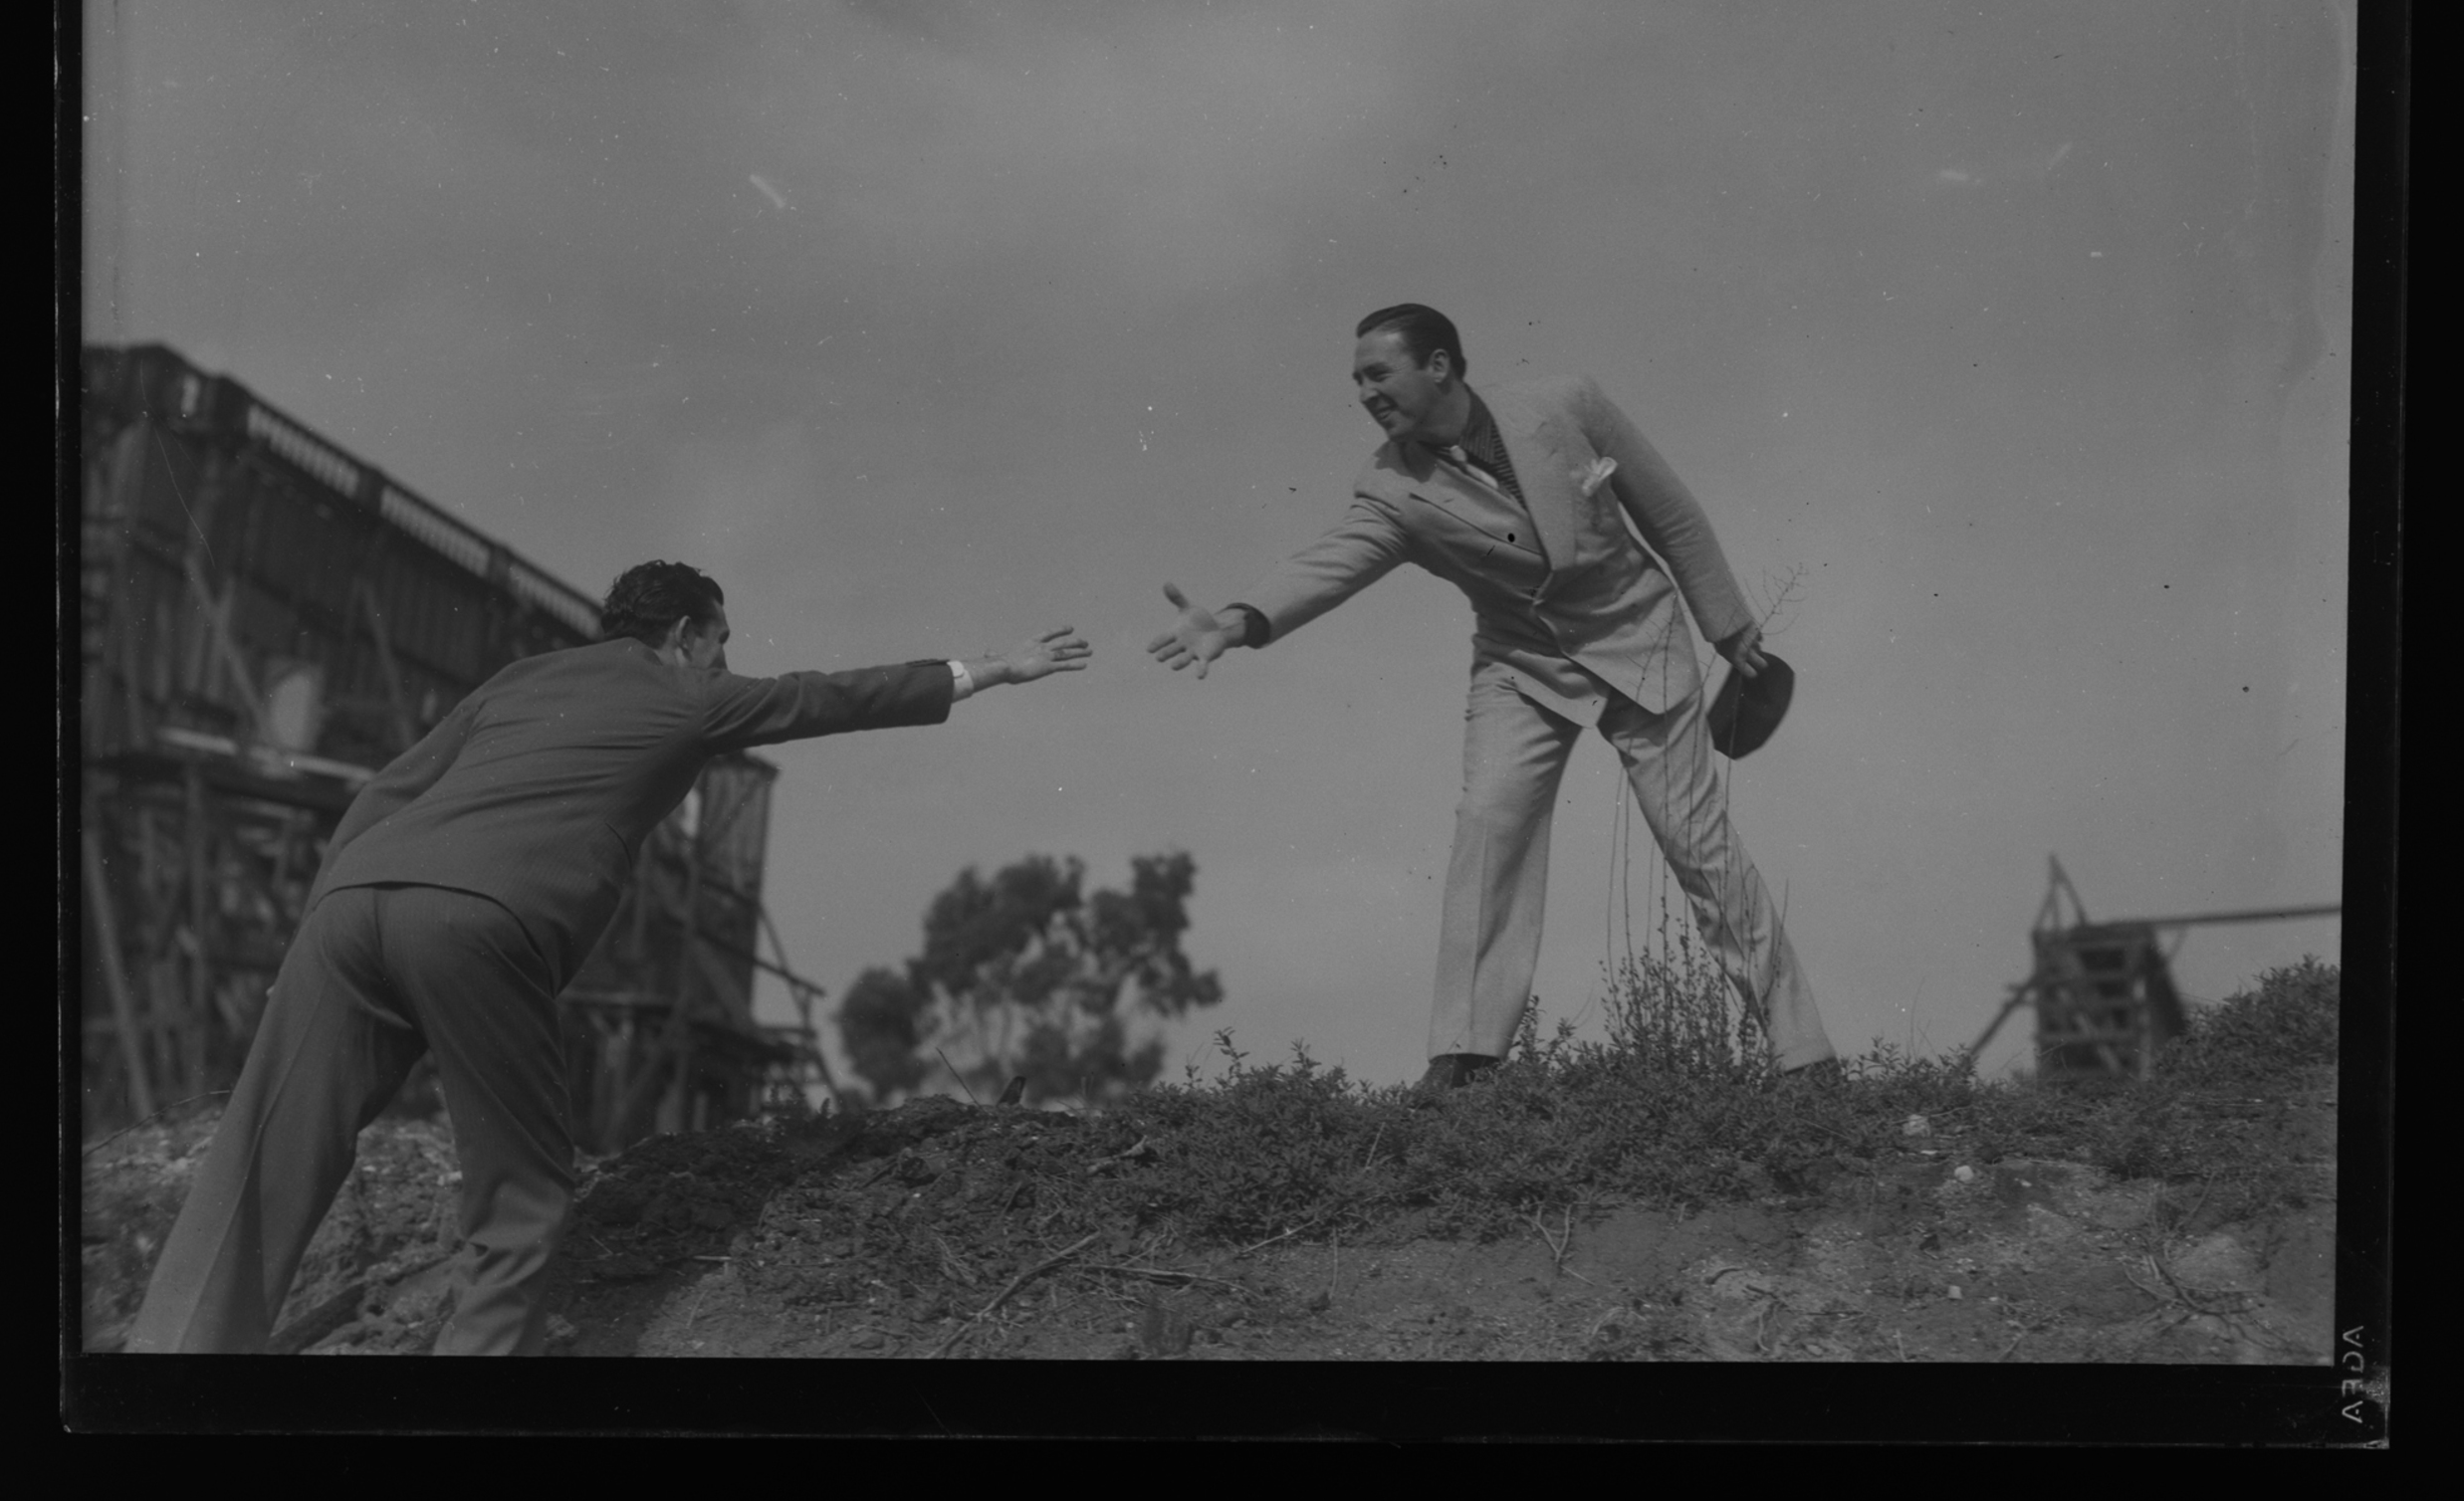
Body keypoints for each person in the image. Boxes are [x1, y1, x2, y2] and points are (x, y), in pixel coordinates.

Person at [128, 560, 1089, 1355]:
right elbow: (825, 699)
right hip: (479, 919)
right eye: (721, 640)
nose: (724, 660)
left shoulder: (520, 678)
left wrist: (316, 919)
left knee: (270, 1141)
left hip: (348, 906)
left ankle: (173, 1359)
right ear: (684, 633)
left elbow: (387, 787)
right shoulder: (686, 694)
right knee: (524, 1177)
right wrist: (991, 669)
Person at [1149, 305, 1836, 1092]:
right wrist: (1237, 621)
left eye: (1380, 373)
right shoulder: (1388, 484)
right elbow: (1332, 561)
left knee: (1694, 840)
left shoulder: (1567, 402)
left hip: (1639, 635)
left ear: (1438, 365)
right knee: (1489, 823)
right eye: (1357, 381)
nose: (1367, 393)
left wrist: (1727, 624)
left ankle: (1803, 1054)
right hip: (1522, 661)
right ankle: (1468, 1059)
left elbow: (1668, 509)